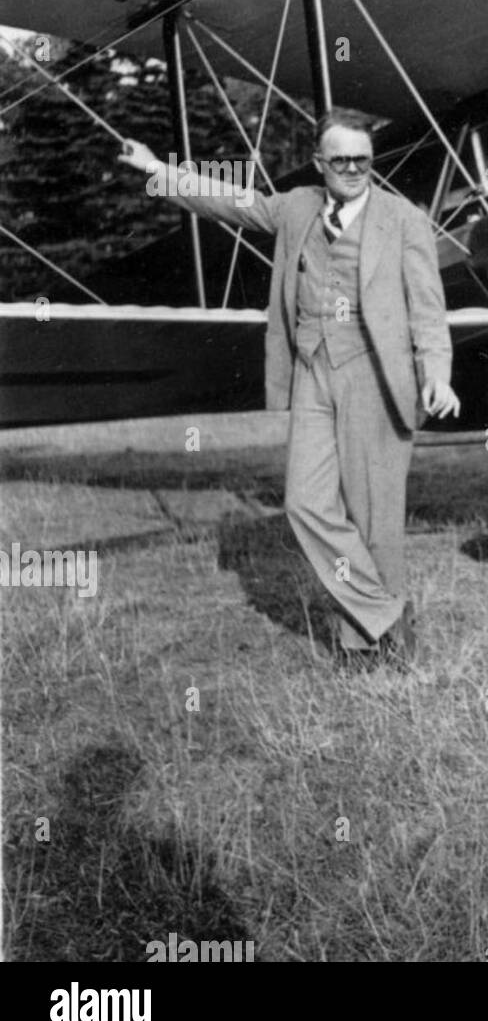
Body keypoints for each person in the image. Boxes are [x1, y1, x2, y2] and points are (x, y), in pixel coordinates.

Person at [118, 119, 459, 670]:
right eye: (340, 161)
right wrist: (157, 170)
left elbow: (428, 307)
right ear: (320, 164)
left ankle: (362, 643)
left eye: (363, 160)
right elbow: (232, 201)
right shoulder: (297, 206)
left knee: (374, 516)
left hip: (373, 373)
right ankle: (386, 613)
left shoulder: (403, 220)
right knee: (304, 504)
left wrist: (435, 371)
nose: (353, 170)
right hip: (311, 371)